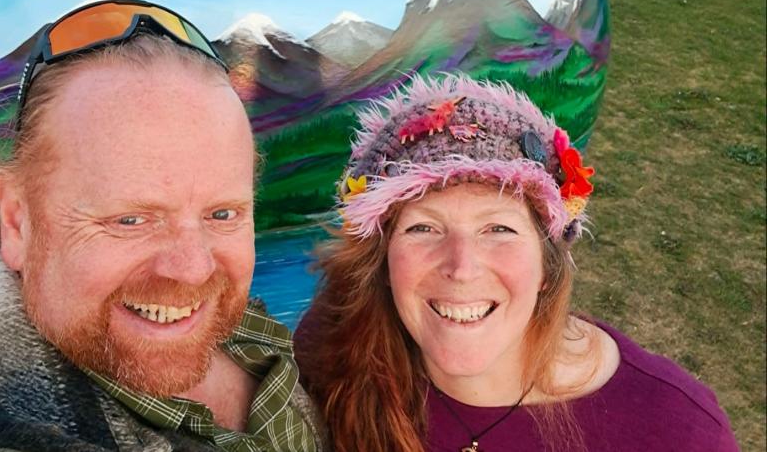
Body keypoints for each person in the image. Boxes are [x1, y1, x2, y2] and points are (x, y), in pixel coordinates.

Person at [0, 0, 325, 452]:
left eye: (223, 214)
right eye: (130, 220)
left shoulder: (254, 336)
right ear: (17, 221)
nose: (194, 270)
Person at [294, 74, 739, 451]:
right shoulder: (334, 350)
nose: (462, 268)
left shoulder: (679, 432)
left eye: (498, 229)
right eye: (423, 228)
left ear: (548, 264)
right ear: (382, 263)